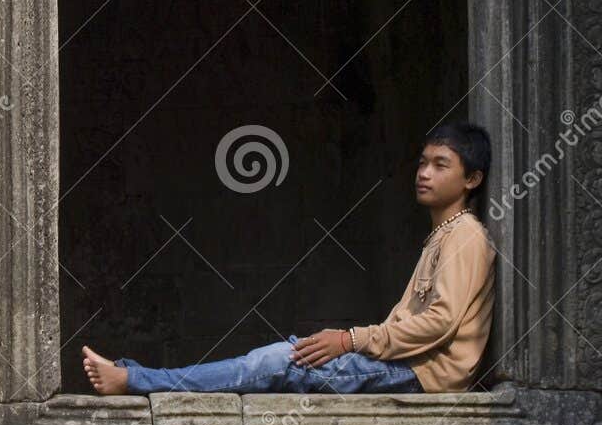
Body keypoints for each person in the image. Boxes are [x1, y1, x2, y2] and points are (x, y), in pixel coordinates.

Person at [83, 122, 496, 395]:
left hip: (417, 375)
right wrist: (353, 342)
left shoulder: (465, 236)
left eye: (441, 165)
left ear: (472, 179)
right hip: (398, 364)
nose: (424, 173)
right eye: (423, 162)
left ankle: (134, 380)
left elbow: (441, 322)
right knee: (281, 356)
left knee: (274, 362)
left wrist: (350, 339)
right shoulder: (444, 233)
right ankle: (136, 377)